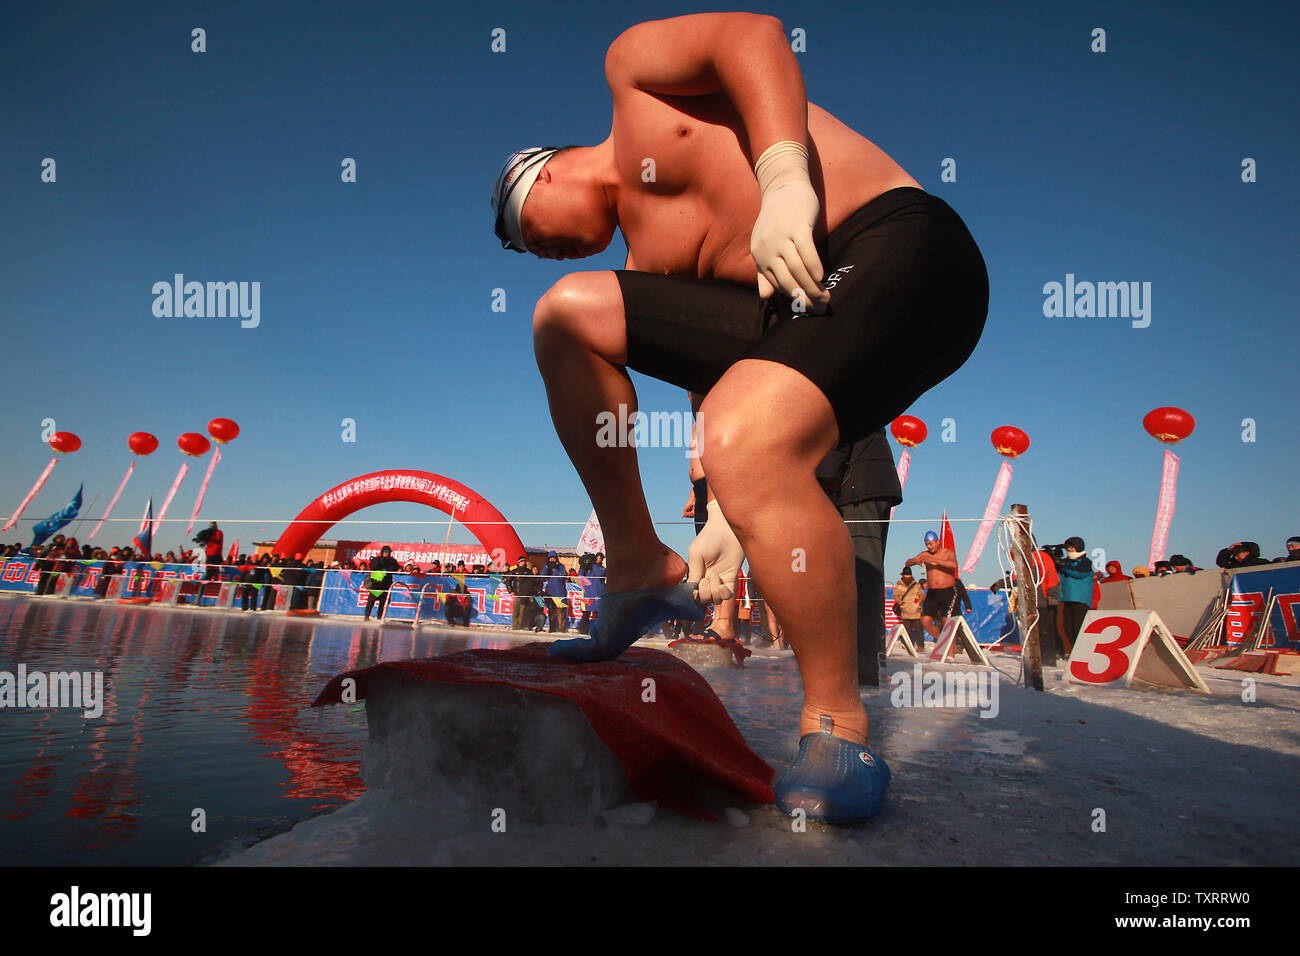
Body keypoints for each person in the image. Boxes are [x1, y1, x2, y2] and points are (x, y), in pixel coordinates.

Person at [492, 12, 988, 822]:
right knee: (567, 311)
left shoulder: (633, 78)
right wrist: (723, 505)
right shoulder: (650, 261)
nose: (538, 253)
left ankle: (838, 724)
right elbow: (712, 382)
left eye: (524, 238)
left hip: (902, 249)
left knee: (740, 430)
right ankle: (637, 567)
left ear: (537, 178)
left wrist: (786, 180)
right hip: (801, 316)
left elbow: (752, 37)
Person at [815, 429, 902, 686]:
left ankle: (861, 673)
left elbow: (840, 432)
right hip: (870, 485)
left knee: (860, 581)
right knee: (868, 578)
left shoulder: (840, 396)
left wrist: (821, 480)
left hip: (857, 489)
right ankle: (868, 663)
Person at [905, 531, 959, 644]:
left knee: (947, 621)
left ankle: (951, 652)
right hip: (932, 592)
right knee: (925, 620)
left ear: (938, 542)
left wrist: (935, 561)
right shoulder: (925, 554)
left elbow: (954, 565)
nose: (929, 547)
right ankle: (943, 642)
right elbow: (907, 563)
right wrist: (915, 561)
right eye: (927, 544)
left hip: (947, 591)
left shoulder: (947, 553)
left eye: (931, 544)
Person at [1056, 537, 1095, 655]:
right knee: (1067, 627)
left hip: (1080, 599)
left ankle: (1084, 652)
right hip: (1066, 598)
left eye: (1072, 547)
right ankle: (1075, 652)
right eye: (1068, 547)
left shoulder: (1085, 562)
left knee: (1078, 627)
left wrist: (1062, 564)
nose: (1069, 550)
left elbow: (1078, 573)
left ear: (1078, 547)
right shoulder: (1066, 562)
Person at [892, 568, 925, 651]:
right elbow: (895, 596)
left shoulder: (915, 585)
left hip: (914, 610)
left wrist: (918, 603)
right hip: (906, 609)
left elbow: (922, 596)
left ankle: (919, 645)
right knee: (909, 629)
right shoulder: (900, 585)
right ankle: (911, 645)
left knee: (917, 628)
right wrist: (901, 603)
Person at [364, 545, 400, 621]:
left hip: (386, 584)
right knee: (371, 601)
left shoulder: (392, 561)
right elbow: (372, 567)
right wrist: (380, 563)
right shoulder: (377, 559)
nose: (387, 553)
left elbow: (395, 568)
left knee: (383, 602)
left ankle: (380, 617)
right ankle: (366, 616)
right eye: (385, 552)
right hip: (376, 583)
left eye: (388, 552)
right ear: (382, 552)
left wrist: (386, 568)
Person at [539, 551, 570, 633]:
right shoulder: (547, 567)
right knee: (551, 613)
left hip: (561, 593)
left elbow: (563, 575)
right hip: (551, 593)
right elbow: (542, 577)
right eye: (550, 558)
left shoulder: (561, 566)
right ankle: (552, 629)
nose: (552, 560)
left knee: (561, 613)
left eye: (553, 558)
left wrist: (557, 567)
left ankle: (561, 630)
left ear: (556, 559)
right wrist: (547, 568)